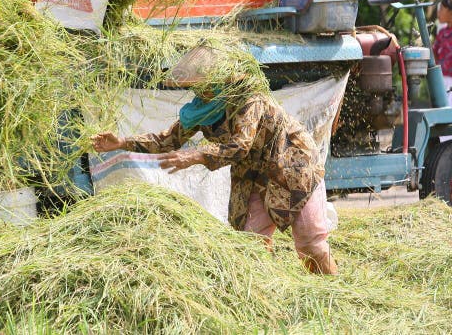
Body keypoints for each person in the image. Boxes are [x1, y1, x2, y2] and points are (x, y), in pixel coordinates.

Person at [90, 46, 338, 275]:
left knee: (310, 242)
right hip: (253, 173)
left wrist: (197, 155)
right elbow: (168, 140)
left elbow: (240, 145)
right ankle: (270, 294)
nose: (201, 92)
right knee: (251, 244)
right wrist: (121, 142)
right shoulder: (201, 110)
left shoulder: (249, 100)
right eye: (198, 87)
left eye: (206, 85)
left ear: (223, 81)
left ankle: (329, 289)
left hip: (292, 163)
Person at [433, 0, 452, 105]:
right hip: (442, 78)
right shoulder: (442, 33)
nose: (438, 12)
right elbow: (434, 51)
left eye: (441, 9)